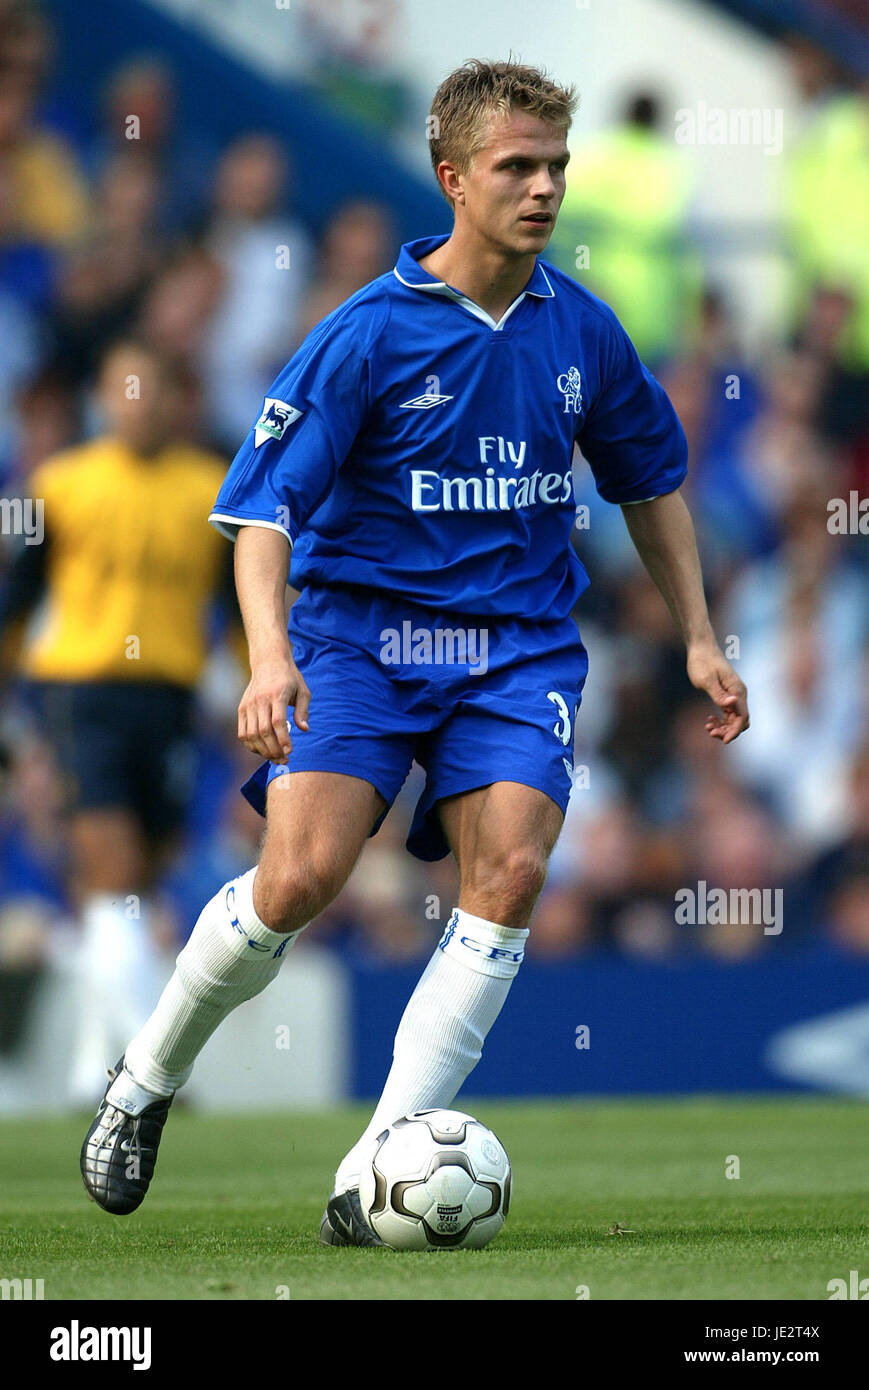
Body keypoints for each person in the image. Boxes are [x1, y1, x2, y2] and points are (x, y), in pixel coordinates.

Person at [80, 60, 748, 1242]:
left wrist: (698, 634)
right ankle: (143, 1082)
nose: (543, 190)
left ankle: (371, 1166)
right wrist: (268, 660)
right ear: (451, 179)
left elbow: (650, 483)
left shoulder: (582, 331)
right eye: (516, 168)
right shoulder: (364, 336)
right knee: (297, 881)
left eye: (555, 168)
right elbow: (261, 517)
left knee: (508, 876)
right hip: (360, 644)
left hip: (517, 654)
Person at [0, 339, 230, 1101]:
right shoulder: (54, 484)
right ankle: (153, 1065)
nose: (139, 403)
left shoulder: (213, 488)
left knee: (140, 884)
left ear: (177, 400)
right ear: (102, 397)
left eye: (154, 389)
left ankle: (85, 1070)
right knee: (114, 870)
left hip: (168, 700)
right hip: (80, 693)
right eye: (123, 388)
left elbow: (238, 605)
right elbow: (16, 598)